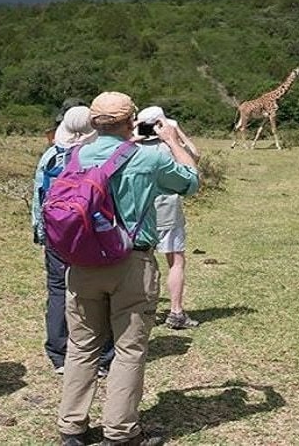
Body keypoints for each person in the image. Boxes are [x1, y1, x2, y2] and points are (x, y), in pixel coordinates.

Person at [57, 92, 199, 446]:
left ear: (93, 121)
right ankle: (120, 433)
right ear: (130, 120)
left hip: (81, 262)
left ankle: (71, 427)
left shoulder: (74, 155)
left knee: (81, 346)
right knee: (128, 349)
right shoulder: (146, 158)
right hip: (131, 262)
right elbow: (190, 181)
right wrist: (171, 140)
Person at [32, 104, 115, 376]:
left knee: (57, 291)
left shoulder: (50, 158)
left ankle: (59, 354)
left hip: (57, 236)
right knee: (99, 295)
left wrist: (43, 235)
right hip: (91, 238)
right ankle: (101, 356)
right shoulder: (100, 157)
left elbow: (39, 200)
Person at [135, 106, 201, 330]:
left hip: (140, 213)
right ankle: (176, 311)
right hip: (168, 212)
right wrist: (175, 132)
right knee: (176, 261)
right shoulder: (168, 149)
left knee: (142, 262)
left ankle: (142, 312)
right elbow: (195, 157)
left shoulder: (133, 149)